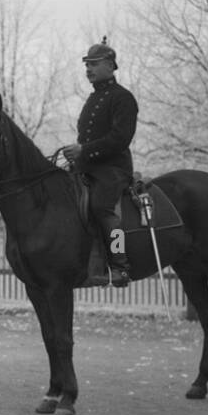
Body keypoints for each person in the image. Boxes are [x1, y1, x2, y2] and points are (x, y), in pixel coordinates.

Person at [63, 37, 137, 287]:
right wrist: (76, 156)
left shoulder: (123, 98)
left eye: (94, 64)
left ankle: (120, 265)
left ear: (110, 65)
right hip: (88, 169)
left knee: (102, 208)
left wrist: (84, 150)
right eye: (87, 65)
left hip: (113, 170)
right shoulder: (92, 99)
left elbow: (120, 139)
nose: (89, 69)